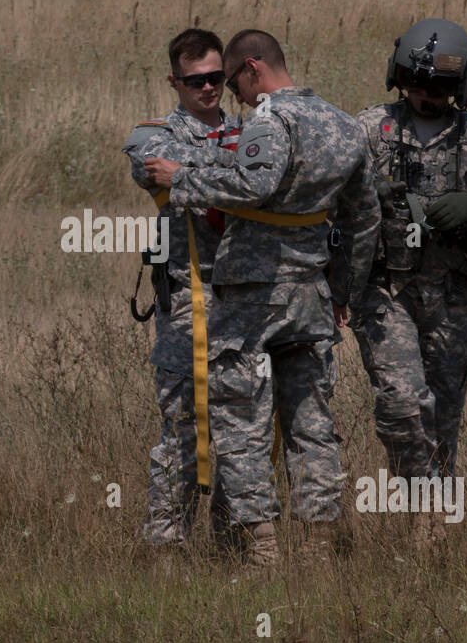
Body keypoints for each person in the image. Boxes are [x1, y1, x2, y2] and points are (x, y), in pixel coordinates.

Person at [144, 29, 380, 566]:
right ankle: (319, 549)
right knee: (312, 424)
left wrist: (182, 178)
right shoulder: (346, 125)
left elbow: (252, 186)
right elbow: (364, 220)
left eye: (232, 83)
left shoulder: (271, 123)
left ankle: (263, 551)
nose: (233, 98)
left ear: (252, 69)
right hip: (312, 297)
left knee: (241, 421)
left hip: (253, 296)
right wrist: (343, 289)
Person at [349, 18, 467, 536]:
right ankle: (419, 503)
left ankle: (430, 528)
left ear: (461, 88)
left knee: (442, 418)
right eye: (418, 84)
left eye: (441, 87)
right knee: (403, 403)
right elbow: (333, 192)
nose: (427, 95)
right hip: (387, 294)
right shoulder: (371, 129)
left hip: (452, 300)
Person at [123, 28, 241, 548]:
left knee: (242, 430)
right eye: (196, 81)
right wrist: (233, 171)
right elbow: (153, 170)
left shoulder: (252, 129)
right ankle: (168, 544)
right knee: (181, 429)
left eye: (217, 77)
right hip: (186, 304)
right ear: (175, 81)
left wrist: (193, 174)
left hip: (243, 301)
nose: (209, 89)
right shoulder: (153, 135)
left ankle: (233, 541)